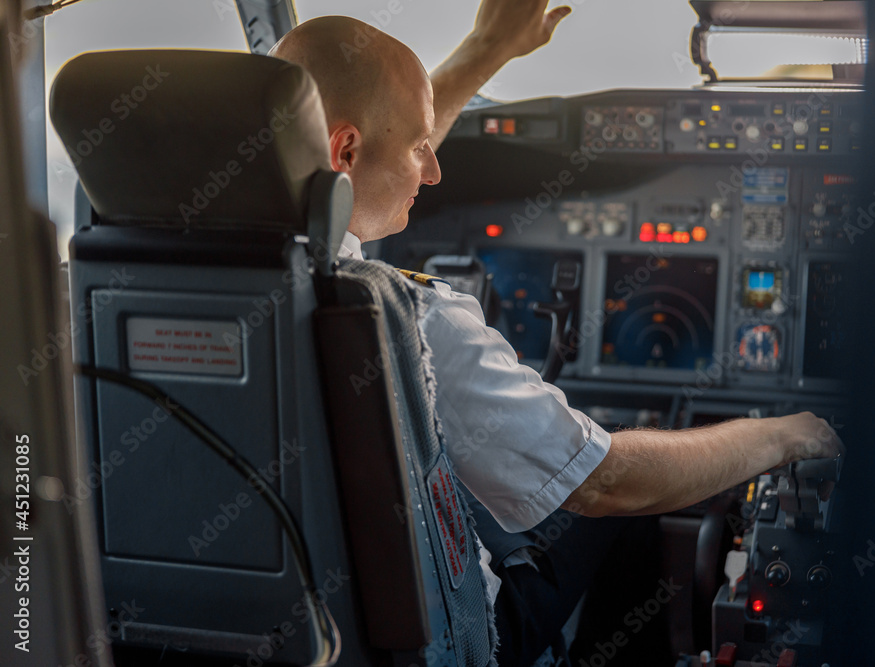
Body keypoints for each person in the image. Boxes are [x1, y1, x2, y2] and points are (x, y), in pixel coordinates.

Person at [271, 5, 844, 665]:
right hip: (438, 646)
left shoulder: (182, 281)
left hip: (275, 627)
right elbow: (608, 482)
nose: (432, 172)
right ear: (345, 150)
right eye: (417, 149)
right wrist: (783, 433)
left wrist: (487, 48)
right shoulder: (409, 320)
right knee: (626, 496)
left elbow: (365, 154)